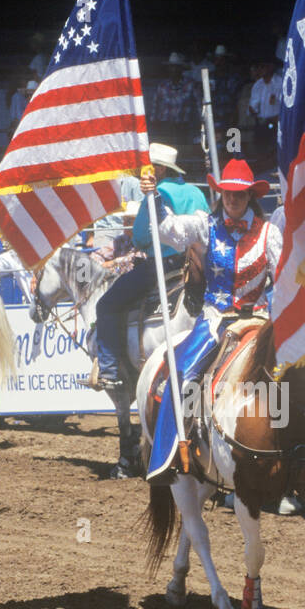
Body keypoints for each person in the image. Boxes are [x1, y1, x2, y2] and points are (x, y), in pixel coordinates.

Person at [141, 158, 282, 483]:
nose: (233, 200)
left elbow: (284, 277)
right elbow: (168, 232)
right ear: (220, 194)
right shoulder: (204, 225)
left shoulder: (269, 234)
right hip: (215, 319)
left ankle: (287, 459)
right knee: (181, 374)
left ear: (250, 197)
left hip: (258, 319)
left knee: (288, 379)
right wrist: (154, 199)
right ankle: (176, 449)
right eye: (228, 194)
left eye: (240, 195)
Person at [93, 144, 207, 413]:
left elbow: (142, 237)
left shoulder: (156, 194)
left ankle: (109, 370)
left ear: (161, 169)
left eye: (150, 167)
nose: (145, 172)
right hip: (198, 266)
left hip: (163, 266)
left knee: (106, 305)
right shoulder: (196, 191)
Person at [152, 53, 198, 146]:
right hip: (166, 126)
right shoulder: (162, 86)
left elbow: (198, 105)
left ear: (181, 69)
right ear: (168, 69)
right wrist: (154, 122)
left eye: (177, 67)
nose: (174, 70)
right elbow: (155, 106)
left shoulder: (191, 84)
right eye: (172, 67)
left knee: (183, 152)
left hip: (184, 126)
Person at [248, 57, 283, 168]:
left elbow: (285, 104)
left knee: (275, 152)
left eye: (263, 66)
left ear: (271, 67)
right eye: (259, 67)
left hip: (277, 124)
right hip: (262, 123)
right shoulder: (258, 85)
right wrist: (252, 111)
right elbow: (253, 106)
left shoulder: (280, 82)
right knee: (260, 150)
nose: (261, 69)